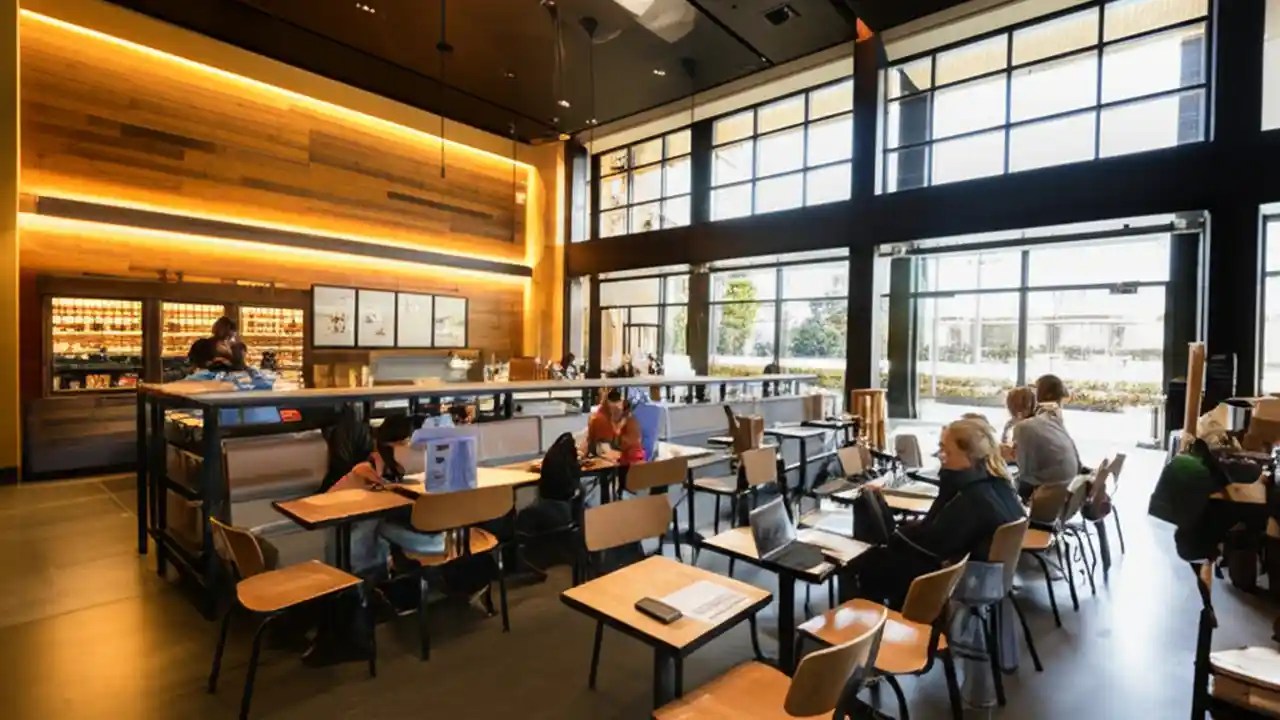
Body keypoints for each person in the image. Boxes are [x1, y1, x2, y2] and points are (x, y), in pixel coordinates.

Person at [851, 419, 1025, 608]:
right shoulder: (1000, 484)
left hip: (954, 577)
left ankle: (870, 621)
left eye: (946, 451)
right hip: (986, 573)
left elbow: (932, 545)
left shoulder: (970, 498)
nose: (941, 456)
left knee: (866, 562)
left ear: (968, 455)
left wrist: (895, 533)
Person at [1011, 375, 1082, 501]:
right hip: (1069, 490)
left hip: (1047, 496)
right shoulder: (1053, 419)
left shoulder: (1023, 427)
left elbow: (1026, 473)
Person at [617, 399, 646, 466]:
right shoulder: (633, 420)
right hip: (636, 455)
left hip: (632, 458)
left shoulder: (627, 421)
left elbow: (626, 442)